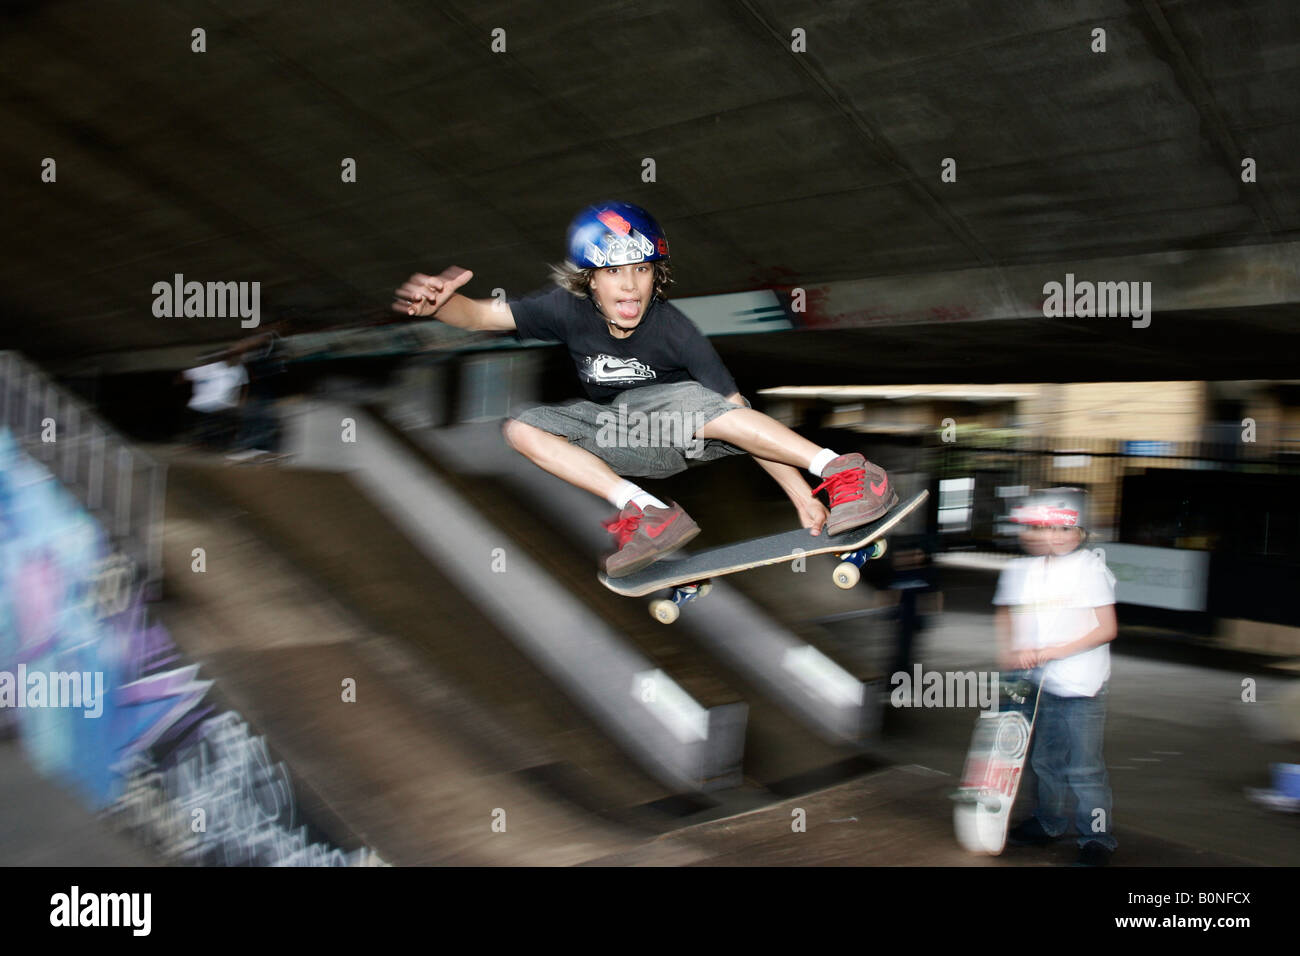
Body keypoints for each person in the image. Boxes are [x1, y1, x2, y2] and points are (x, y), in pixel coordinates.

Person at [392, 201, 897, 576]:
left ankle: (846, 470)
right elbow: (480, 316)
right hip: (627, 438)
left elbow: (742, 420)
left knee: (670, 400)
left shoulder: (674, 330)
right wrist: (440, 306)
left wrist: (802, 493)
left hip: (694, 430)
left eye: (642, 270)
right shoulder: (561, 309)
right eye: (614, 271)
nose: (630, 286)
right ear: (590, 280)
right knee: (523, 429)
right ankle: (646, 511)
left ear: (658, 276)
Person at [995, 488, 1119, 866]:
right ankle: (1048, 822)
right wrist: (1011, 650)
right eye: (1049, 527)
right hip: (1038, 684)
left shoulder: (1089, 567)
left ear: (1080, 534)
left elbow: (1107, 628)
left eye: (1066, 529)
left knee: (1084, 768)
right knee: (1044, 761)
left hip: (1082, 686)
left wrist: (1051, 651)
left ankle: (1096, 838)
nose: (1056, 536)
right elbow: (1006, 613)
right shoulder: (1025, 570)